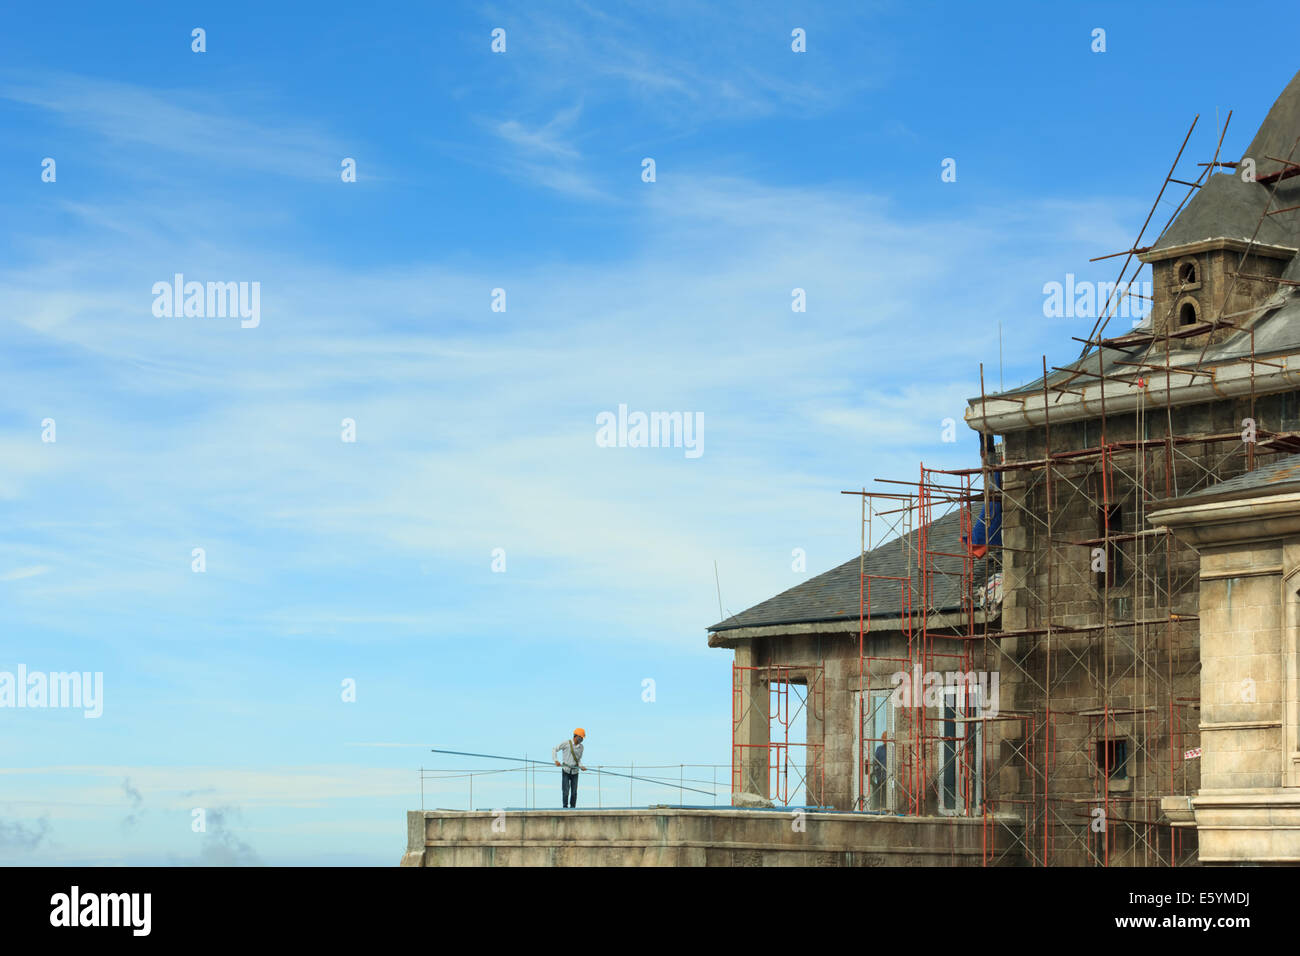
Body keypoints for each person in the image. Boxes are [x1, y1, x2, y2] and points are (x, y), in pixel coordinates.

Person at [553, 728, 588, 808]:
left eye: (582, 738)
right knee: (565, 791)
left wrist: (581, 766)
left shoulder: (581, 747)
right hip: (566, 770)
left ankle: (573, 808)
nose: (581, 739)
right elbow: (554, 749)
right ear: (576, 736)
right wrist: (556, 760)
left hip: (575, 772)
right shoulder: (566, 743)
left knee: (574, 792)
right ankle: (565, 807)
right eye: (580, 737)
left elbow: (578, 760)